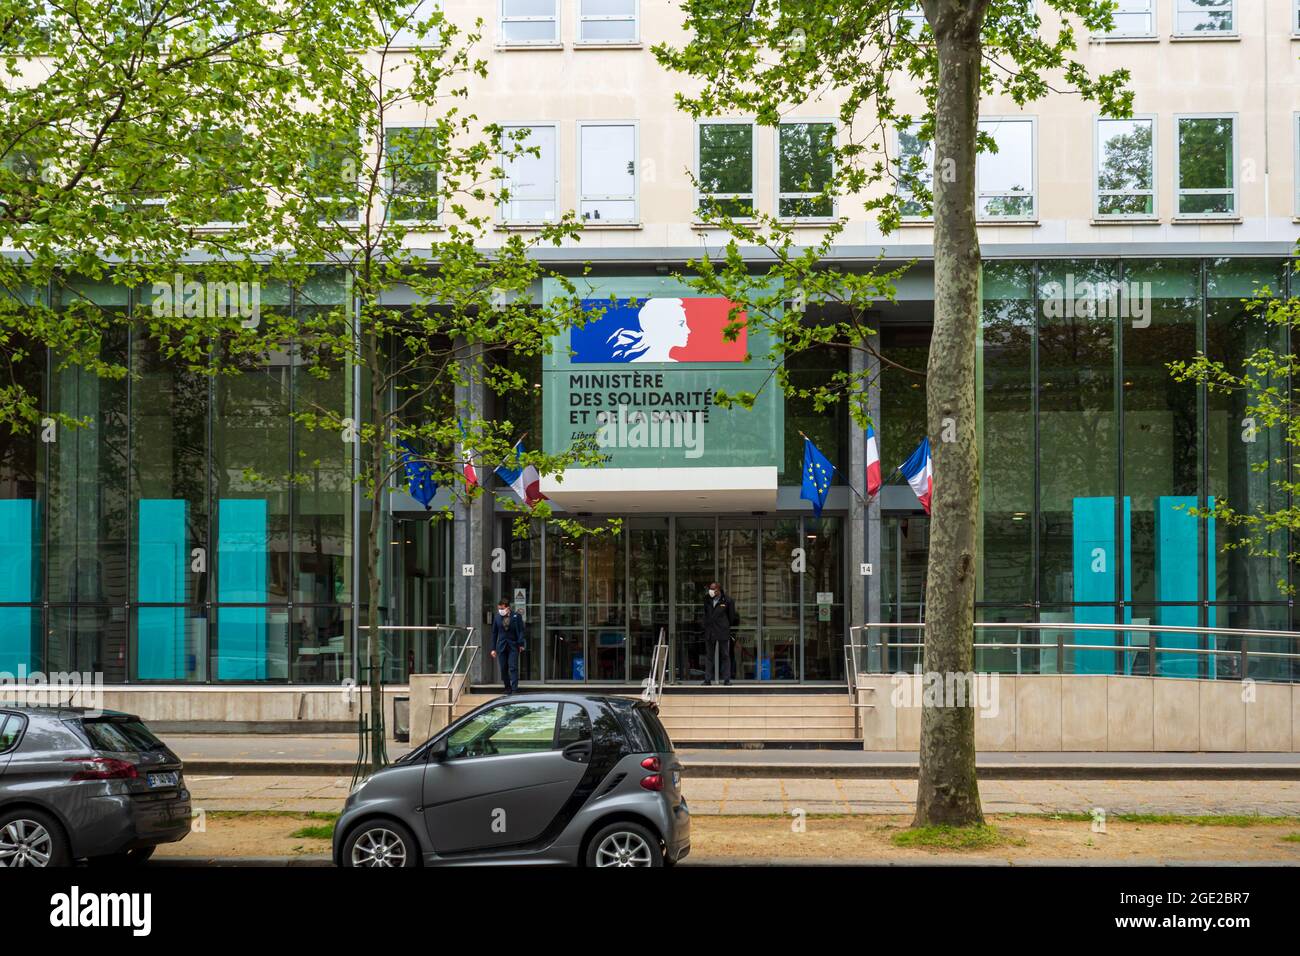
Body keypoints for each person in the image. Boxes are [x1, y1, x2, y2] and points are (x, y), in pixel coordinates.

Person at [701, 581, 738, 685]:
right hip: (710, 632)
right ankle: (707, 680)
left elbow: (731, 617)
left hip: (722, 632)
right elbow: (705, 614)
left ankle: (727, 680)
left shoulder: (728, 600)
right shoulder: (707, 599)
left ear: (718, 590)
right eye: (710, 589)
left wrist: (724, 625)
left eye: (713, 589)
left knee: (725, 656)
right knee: (709, 656)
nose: (711, 591)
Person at [490, 599, 526, 694]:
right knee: (503, 668)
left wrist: (521, 644)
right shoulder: (497, 617)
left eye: (502, 608)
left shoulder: (516, 616)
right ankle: (507, 687)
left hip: (513, 645)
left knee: (513, 667)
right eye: (499, 608)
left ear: (507, 608)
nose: (500, 610)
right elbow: (494, 633)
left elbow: (521, 631)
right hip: (501, 646)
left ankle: (514, 689)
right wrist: (493, 648)